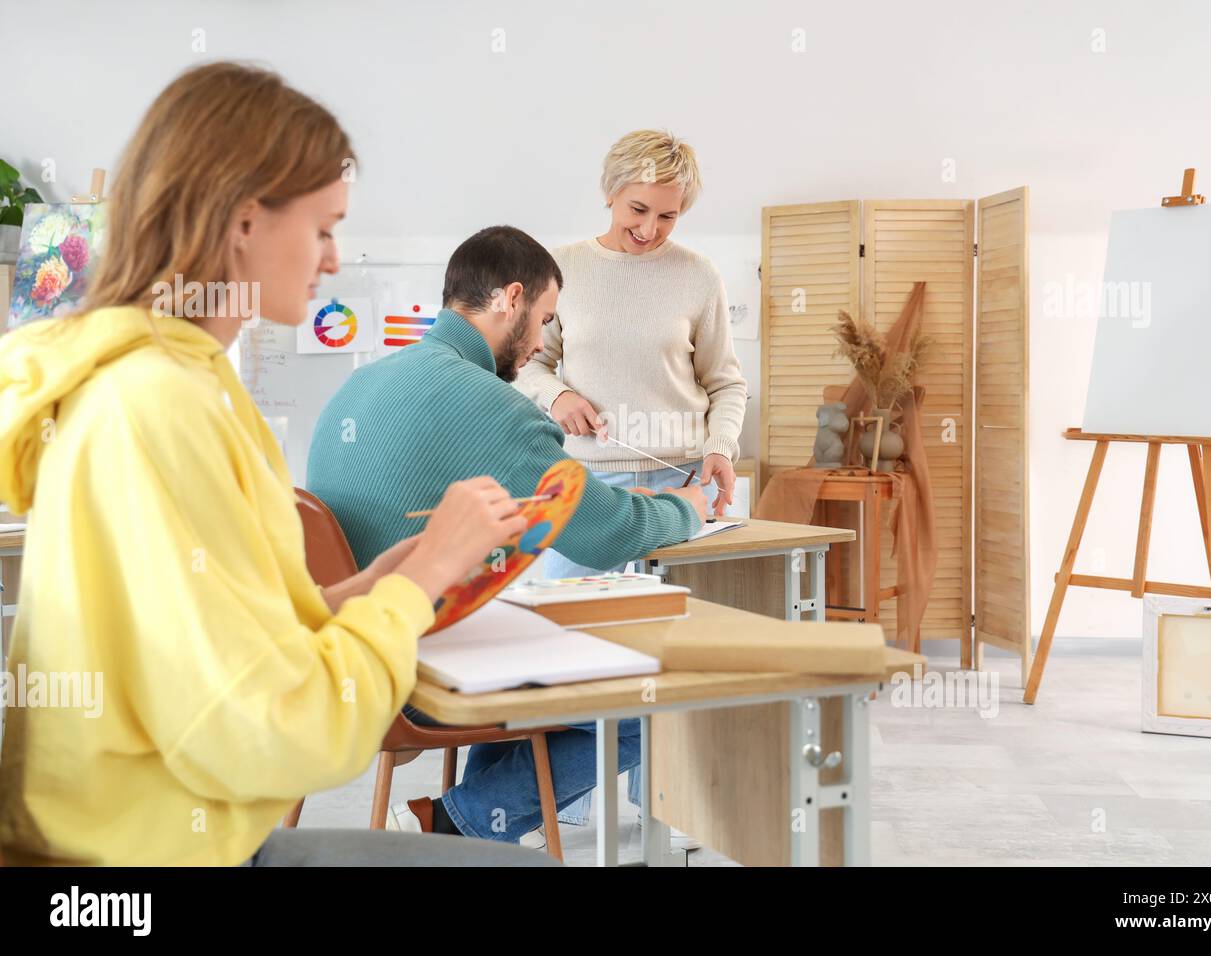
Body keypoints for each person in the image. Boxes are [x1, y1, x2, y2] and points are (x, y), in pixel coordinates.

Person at [0, 62, 551, 867]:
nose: (332, 258)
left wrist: (370, 587)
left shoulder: (190, 382)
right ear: (243, 221)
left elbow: (227, 637)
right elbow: (278, 730)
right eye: (324, 227)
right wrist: (420, 574)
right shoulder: (156, 404)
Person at [306, 224, 708, 843]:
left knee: (519, 642)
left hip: (351, 652)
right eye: (545, 320)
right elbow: (605, 535)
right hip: (420, 676)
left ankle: (477, 828)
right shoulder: (496, 407)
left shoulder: (359, 385)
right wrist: (686, 507)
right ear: (510, 299)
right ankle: (458, 825)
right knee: (646, 699)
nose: (541, 344)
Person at [514, 129, 747, 834]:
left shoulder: (698, 276)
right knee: (563, 658)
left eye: (668, 216)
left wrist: (720, 447)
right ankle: (548, 812)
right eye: (636, 209)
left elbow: (725, 381)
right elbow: (526, 360)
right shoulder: (562, 268)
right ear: (610, 194)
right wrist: (555, 397)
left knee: (668, 665)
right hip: (586, 490)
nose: (649, 229)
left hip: (678, 488)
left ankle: (667, 818)